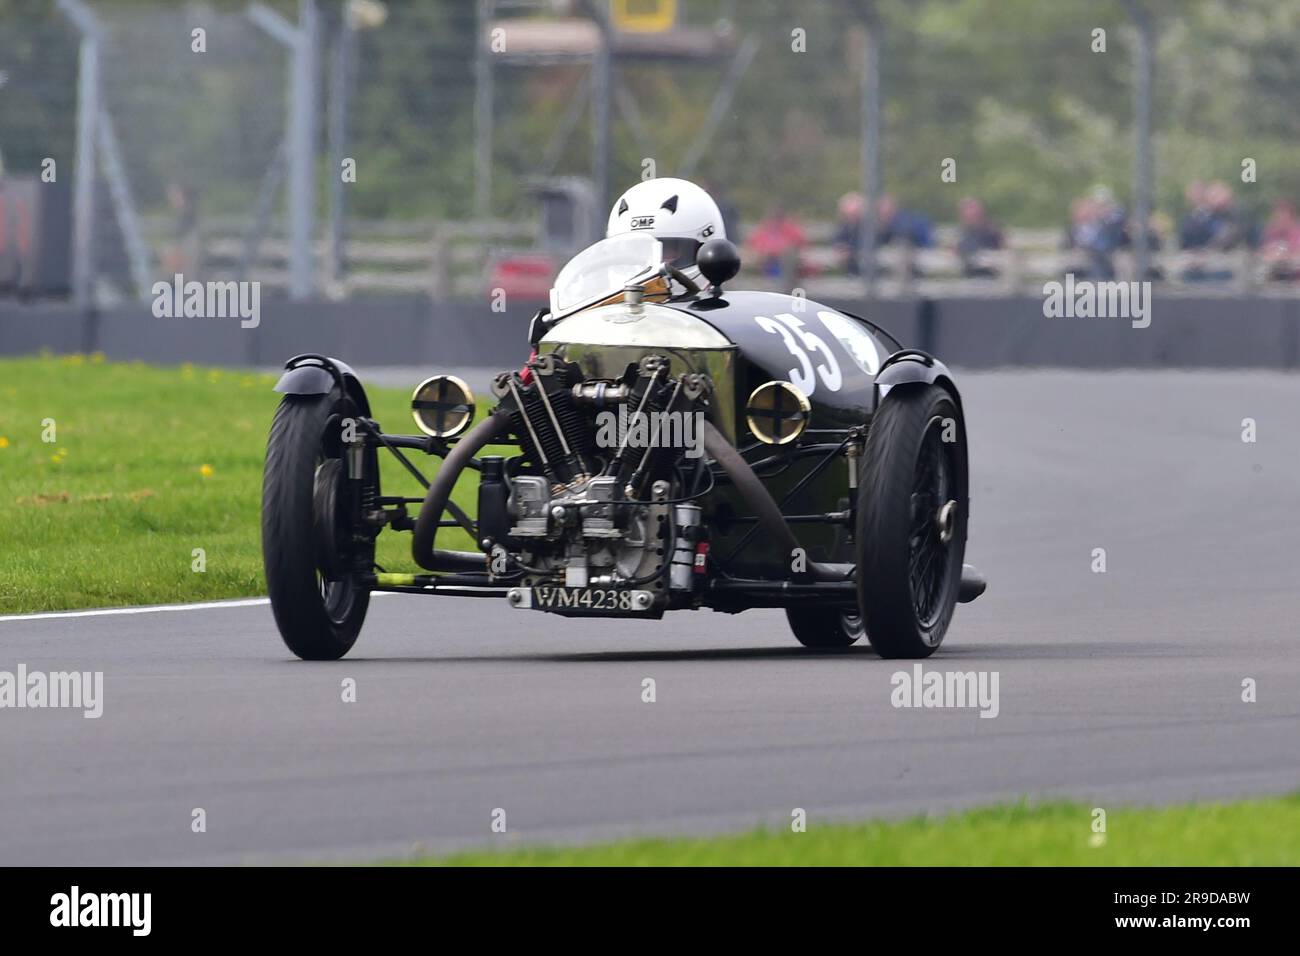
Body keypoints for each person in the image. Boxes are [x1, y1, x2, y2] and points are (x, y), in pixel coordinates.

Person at [746, 203, 807, 279]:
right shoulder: (765, 228)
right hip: (766, 262)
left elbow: (799, 243)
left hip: (785, 262)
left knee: (788, 259)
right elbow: (754, 244)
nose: (776, 218)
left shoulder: (790, 228)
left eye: (779, 215)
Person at [954, 197, 1003, 277]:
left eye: (972, 209)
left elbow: (1003, 247)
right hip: (968, 274)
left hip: (989, 274)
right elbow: (956, 249)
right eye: (966, 210)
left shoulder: (991, 229)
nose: (970, 213)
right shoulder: (962, 231)